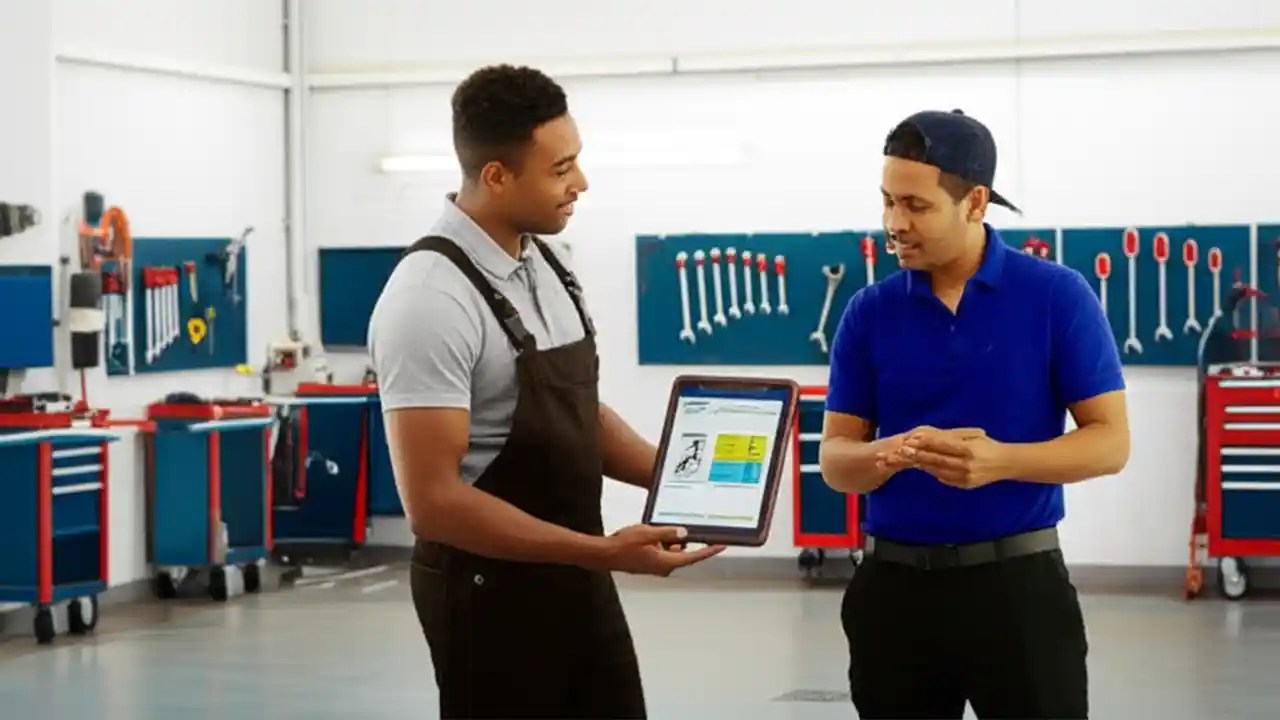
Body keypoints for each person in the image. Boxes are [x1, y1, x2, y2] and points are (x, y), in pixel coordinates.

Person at [366, 64, 724, 719]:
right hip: (488, 595)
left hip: (577, 577)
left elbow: (575, 411)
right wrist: (604, 552)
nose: (580, 183)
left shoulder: (547, 264)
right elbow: (435, 503)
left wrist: (691, 484)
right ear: (497, 175)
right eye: (561, 168)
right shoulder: (429, 298)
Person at [819, 109, 1130, 719]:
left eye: (915, 205)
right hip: (894, 595)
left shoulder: (1056, 297)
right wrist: (894, 451)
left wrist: (999, 462)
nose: (893, 224)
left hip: (1020, 593)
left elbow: (1109, 444)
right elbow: (836, 462)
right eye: (886, 201)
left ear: (975, 202)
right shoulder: (868, 312)